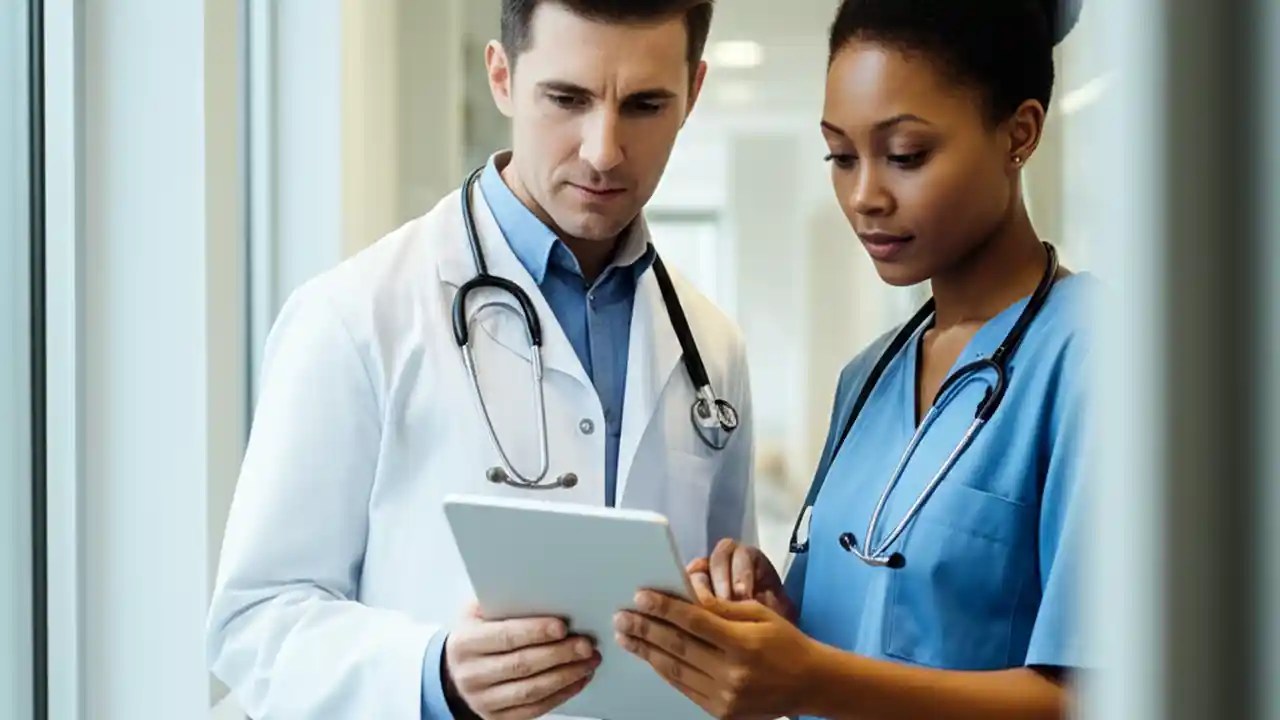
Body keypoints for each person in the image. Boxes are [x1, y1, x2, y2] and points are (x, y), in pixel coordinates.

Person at [206, 1, 758, 718]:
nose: (603, 150)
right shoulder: (357, 316)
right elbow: (256, 623)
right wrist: (433, 674)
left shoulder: (710, 348)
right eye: (566, 98)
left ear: (694, 93)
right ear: (502, 77)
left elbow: (719, 622)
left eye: (646, 105)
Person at [615, 1, 1092, 718]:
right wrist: (765, 613)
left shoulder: (1100, 360)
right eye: (841, 156)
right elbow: (844, 640)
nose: (864, 196)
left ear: (1019, 134)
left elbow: (1102, 695)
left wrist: (810, 678)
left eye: (905, 156)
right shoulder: (869, 378)